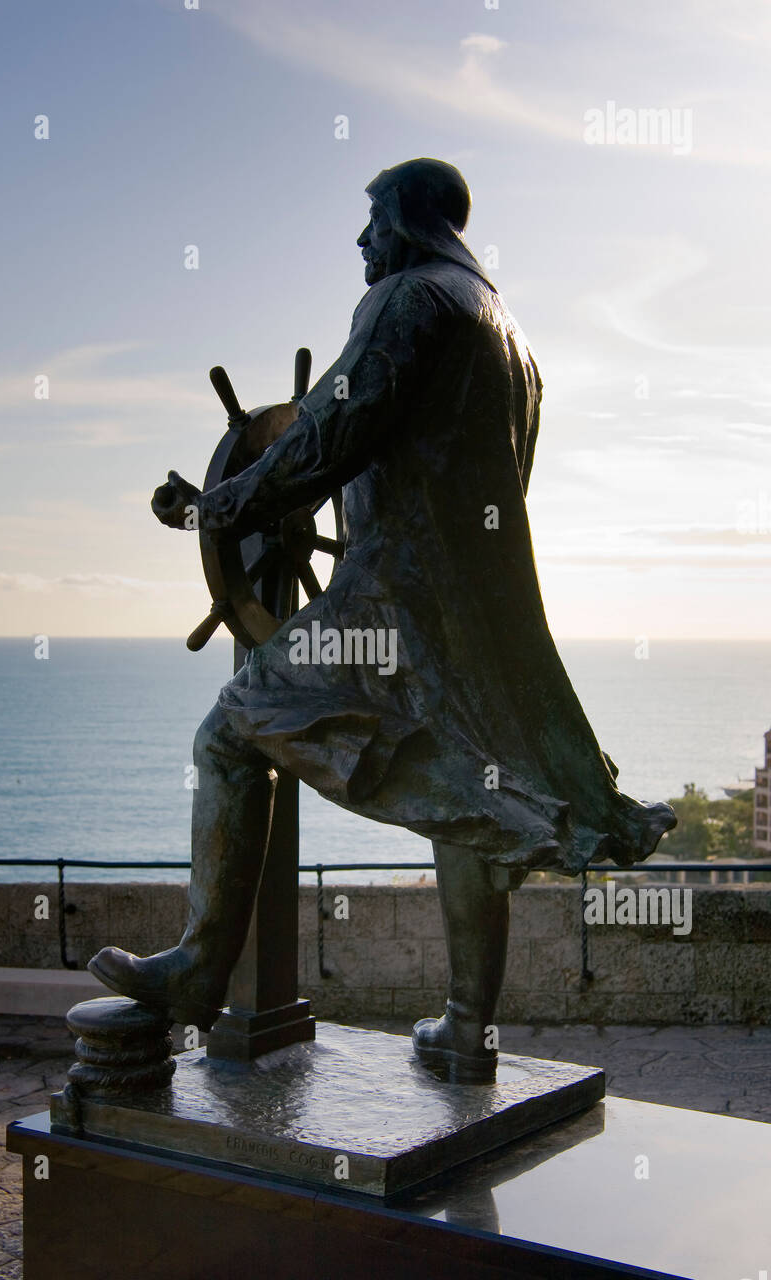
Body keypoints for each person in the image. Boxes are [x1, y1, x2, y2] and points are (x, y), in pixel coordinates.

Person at [89, 158, 675, 1082]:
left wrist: (216, 508)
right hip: (482, 612)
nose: (362, 242)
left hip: (390, 596)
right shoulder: (510, 332)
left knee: (232, 734)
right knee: (473, 798)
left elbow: (325, 435)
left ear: (406, 219)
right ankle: (466, 1032)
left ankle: (198, 972)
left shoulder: (411, 299)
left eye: (371, 221)